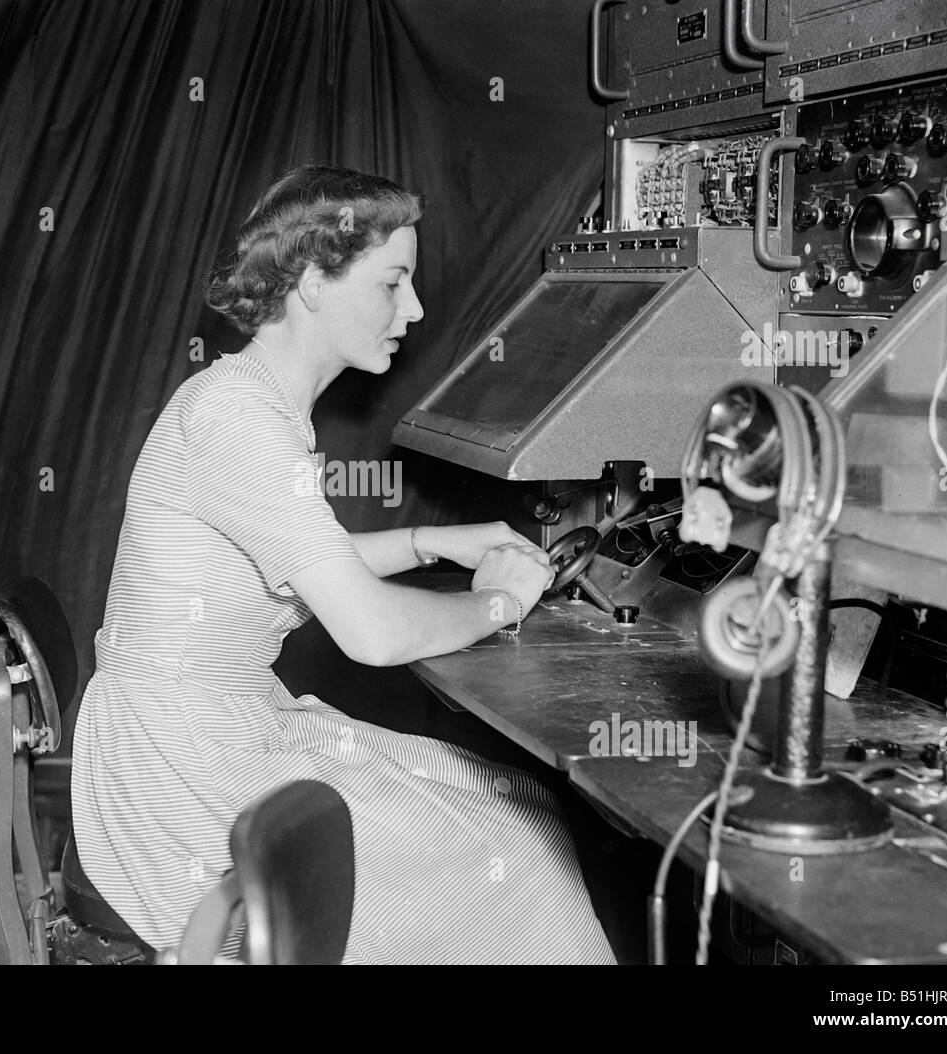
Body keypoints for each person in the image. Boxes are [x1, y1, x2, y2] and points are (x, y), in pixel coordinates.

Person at [71, 164, 615, 964]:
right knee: (520, 859)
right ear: (313, 280)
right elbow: (367, 631)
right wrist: (498, 602)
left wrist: (435, 542)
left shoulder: (255, 402)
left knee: (517, 796)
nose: (416, 309)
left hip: (214, 723)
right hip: (178, 767)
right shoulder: (238, 421)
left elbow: (286, 558)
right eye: (394, 282)